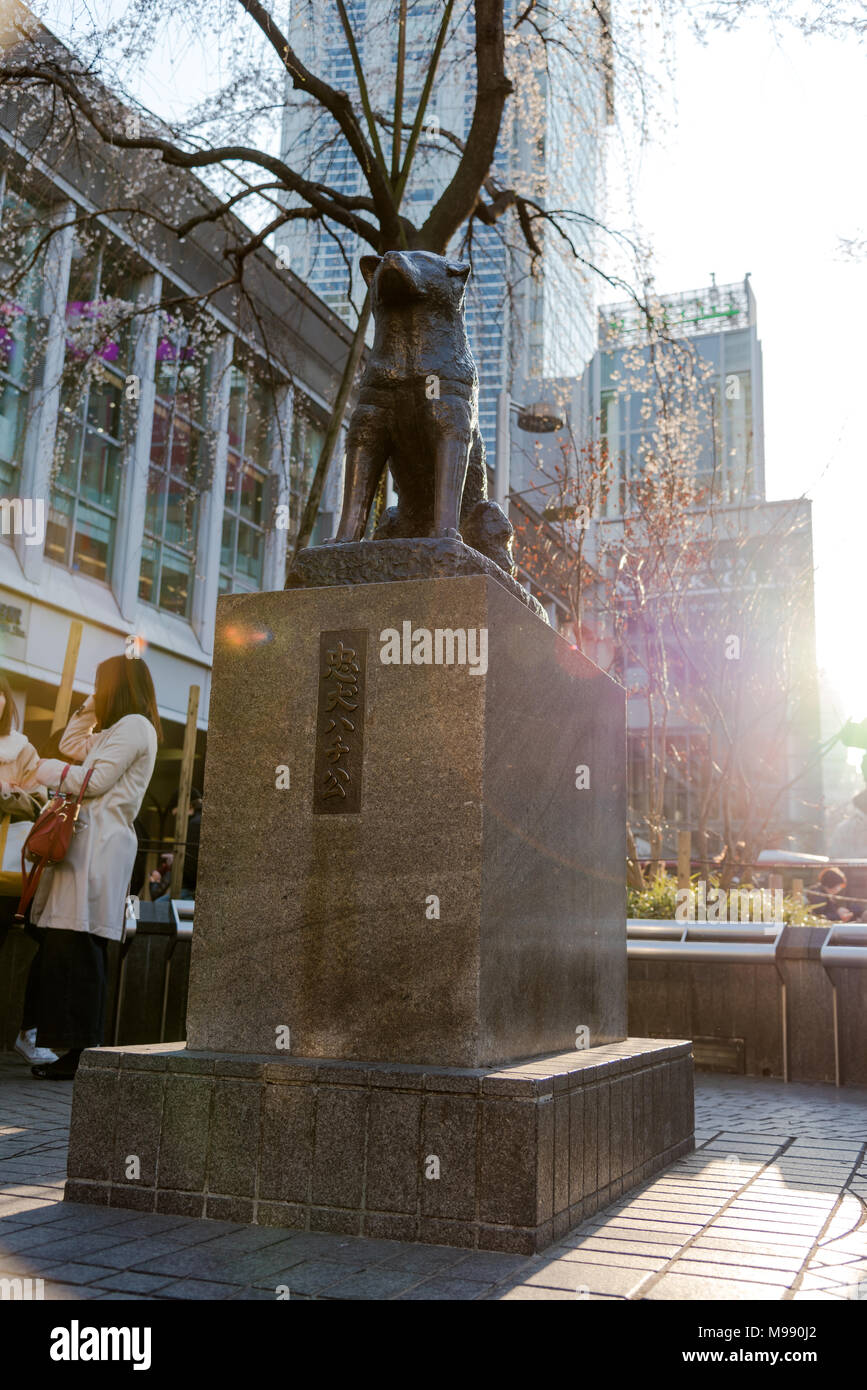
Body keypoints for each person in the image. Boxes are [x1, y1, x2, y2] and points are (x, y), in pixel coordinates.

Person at [29, 654, 161, 1079]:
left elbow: (95, 780)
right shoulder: (117, 729)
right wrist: (88, 704)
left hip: (99, 847)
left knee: (80, 948)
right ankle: (70, 1049)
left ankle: (78, 1051)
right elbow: (71, 744)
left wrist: (43, 770)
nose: (96, 692)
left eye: (100, 684)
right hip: (86, 846)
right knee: (70, 944)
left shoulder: (135, 727)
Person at [0, 673, 52, 1063]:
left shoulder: (22, 748)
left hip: (5, 874)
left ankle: (22, 1036)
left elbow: (39, 804)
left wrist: (7, 795)